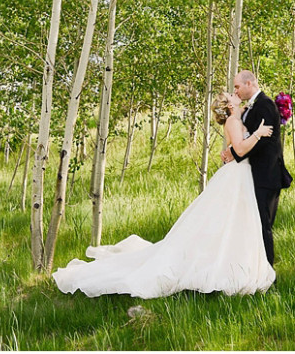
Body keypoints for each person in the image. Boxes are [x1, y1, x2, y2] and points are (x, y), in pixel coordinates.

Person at [52, 90, 276, 298]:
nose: (235, 93)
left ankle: (235, 263)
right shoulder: (233, 121)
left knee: (234, 223)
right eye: (231, 94)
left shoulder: (240, 116)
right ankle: (225, 268)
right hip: (236, 175)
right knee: (227, 222)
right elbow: (239, 149)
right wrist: (257, 134)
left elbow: (234, 145)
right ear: (228, 105)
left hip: (240, 175)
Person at [220, 70, 290, 269]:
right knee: (255, 225)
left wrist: (235, 152)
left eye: (237, 86)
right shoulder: (248, 108)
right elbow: (242, 137)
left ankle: (267, 273)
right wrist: (233, 149)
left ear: (249, 83)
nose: (236, 90)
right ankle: (254, 268)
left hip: (267, 175)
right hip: (253, 174)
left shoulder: (265, 105)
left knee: (263, 226)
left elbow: (266, 141)